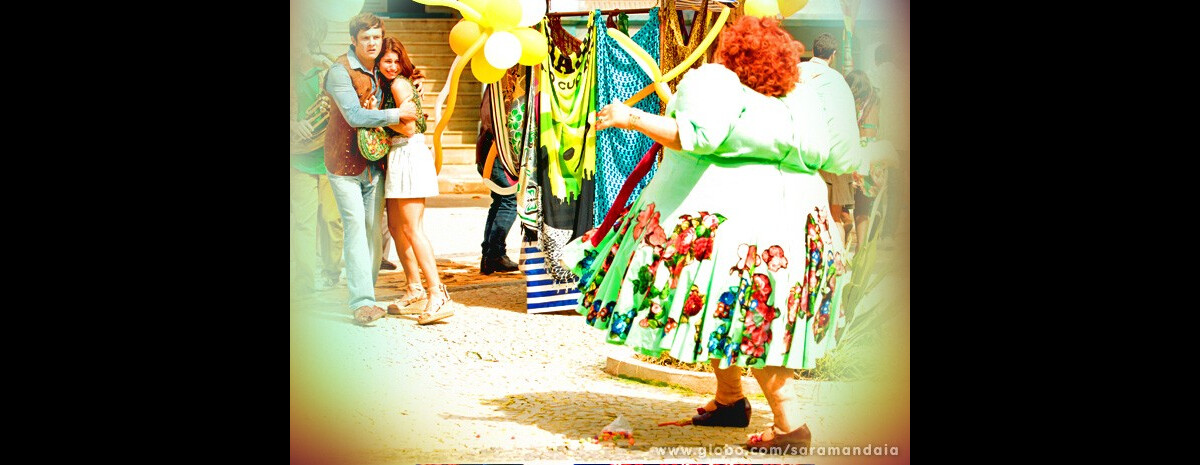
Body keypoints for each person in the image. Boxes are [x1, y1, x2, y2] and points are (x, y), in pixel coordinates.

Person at [573, 16, 884, 453]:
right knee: (727, 311)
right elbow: (838, 156)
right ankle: (729, 401)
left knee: (751, 319)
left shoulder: (717, 83)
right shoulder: (806, 96)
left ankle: (790, 426)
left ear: (735, 55)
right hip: (799, 224)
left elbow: (692, 137)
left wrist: (630, 116)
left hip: (737, 222)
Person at [323, 13, 420, 325]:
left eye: (376, 37)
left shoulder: (380, 70)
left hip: (374, 163)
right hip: (343, 164)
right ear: (354, 40)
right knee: (354, 227)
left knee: (371, 232)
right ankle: (362, 302)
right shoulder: (340, 71)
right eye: (365, 38)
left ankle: (366, 293)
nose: (372, 43)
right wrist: (397, 113)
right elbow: (353, 115)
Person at [373, 37, 454, 325]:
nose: (392, 65)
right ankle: (413, 289)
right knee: (396, 227)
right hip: (399, 155)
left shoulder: (398, 84)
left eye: (396, 60)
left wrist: (374, 117)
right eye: (387, 60)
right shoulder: (393, 85)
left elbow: (407, 129)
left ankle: (437, 293)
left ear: (402, 61)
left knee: (412, 228)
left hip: (409, 153)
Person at [291, 13, 344, 299]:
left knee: (332, 220)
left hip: (328, 155)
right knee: (302, 221)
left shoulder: (327, 70)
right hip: (297, 157)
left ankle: (331, 272)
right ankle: (304, 282)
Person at [800, 33, 858, 246]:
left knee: (806, 221)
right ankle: (838, 274)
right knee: (834, 220)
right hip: (837, 158)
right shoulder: (838, 80)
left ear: (813, 50)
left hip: (804, 156)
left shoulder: (798, 72)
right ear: (833, 55)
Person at [843, 69, 880, 251]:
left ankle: (843, 240)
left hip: (854, 151)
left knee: (843, 203)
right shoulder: (875, 99)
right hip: (871, 153)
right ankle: (861, 252)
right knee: (863, 209)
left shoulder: (849, 100)